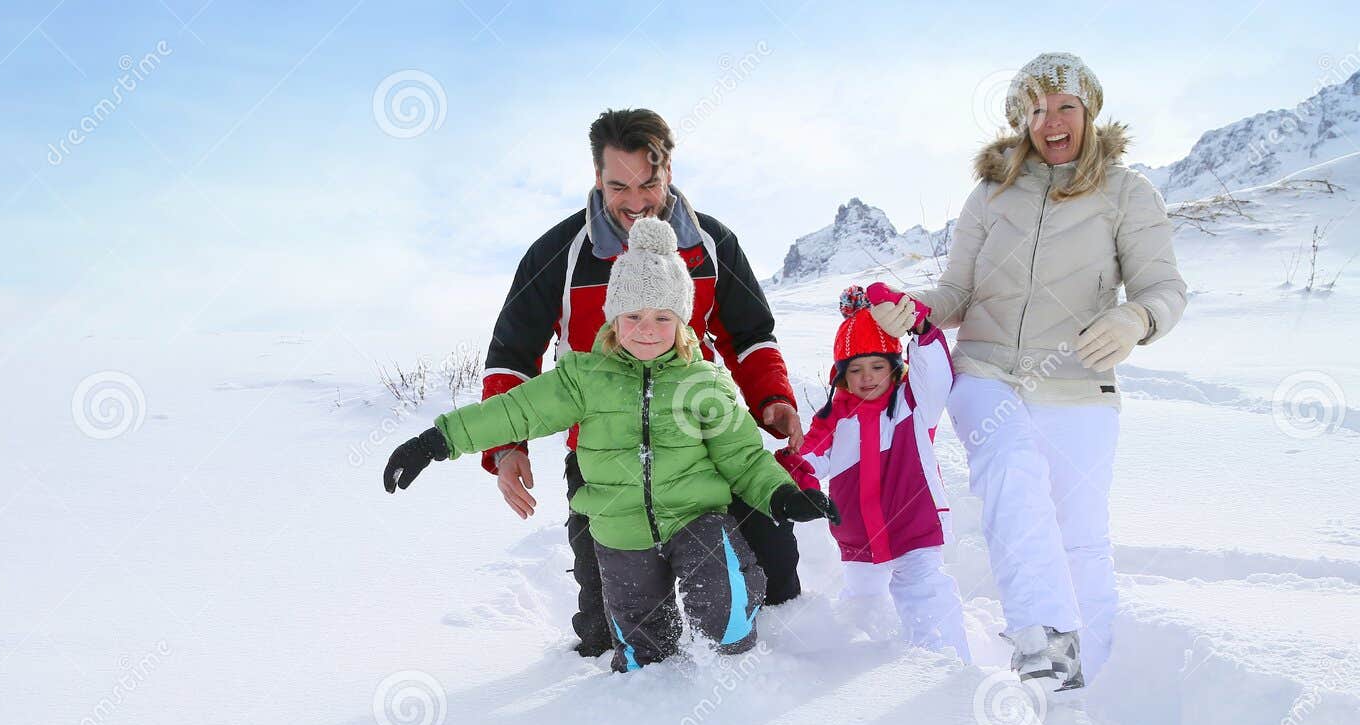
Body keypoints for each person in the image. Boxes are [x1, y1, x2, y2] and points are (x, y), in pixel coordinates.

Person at [384, 217, 837, 674]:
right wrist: (436, 442)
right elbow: (512, 410)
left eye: (662, 317)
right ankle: (641, 711)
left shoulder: (703, 381)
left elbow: (742, 458)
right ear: (612, 318)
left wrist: (783, 496)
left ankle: (738, 676)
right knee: (642, 651)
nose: (647, 329)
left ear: (681, 323)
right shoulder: (582, 378)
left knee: (721, 598)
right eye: (633, 315)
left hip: (696, 519)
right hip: (619, 535)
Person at [903, 53, 1186, 690]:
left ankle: (1096, 687)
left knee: (1081, 535)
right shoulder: (991, 193)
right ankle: (1043, 641)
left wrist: (1134, 319)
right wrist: (914, 311)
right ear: (1019, 118)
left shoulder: (1127, 192)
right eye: (1035, 109)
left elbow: (1164, 287)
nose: (1050, 121)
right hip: (985, 370)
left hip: (1079, 379)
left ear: (1088, 110)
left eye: (1064, 106)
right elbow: (956, 292)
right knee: (1012, 476)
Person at [481, 108, 807, 658]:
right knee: (607, 633)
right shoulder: (557, 256)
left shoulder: (712, 245)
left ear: (669, 171)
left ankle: (768, 680)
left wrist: (772, 398)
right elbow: (512, 355)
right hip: (603, 456)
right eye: (618, 186)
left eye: (649, 183)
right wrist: (507, 444)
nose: (635, 201)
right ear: (596, 178)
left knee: (773, 576)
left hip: (702, 441)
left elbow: (750, 334)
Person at [778, 285, 971, 661]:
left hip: (914, 523)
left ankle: (947, 666)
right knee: (862, 603)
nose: (867, 377)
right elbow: (810, 457)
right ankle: (861, 665)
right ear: (841, 376)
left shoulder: (915, 405)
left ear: (895, 367)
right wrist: (798, 475)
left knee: (923, 589)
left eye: (878, 366)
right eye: (855, 369)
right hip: (857, 533)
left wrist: (920, 326)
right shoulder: (834, 418)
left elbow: (936, 375)